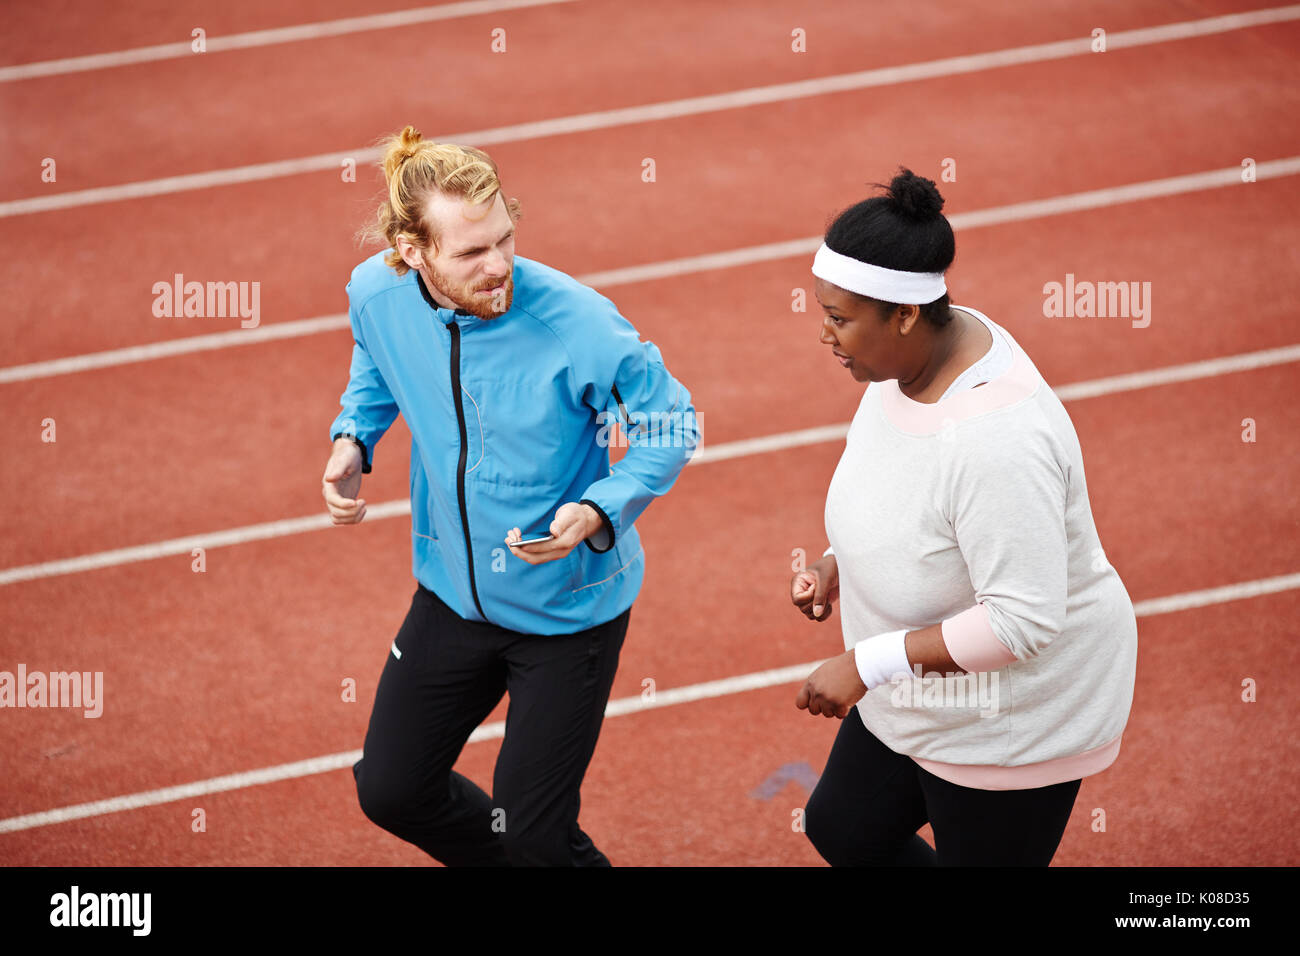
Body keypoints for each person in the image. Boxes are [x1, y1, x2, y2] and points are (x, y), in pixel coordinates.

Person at [322, 125, 698, 866]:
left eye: (505, 240)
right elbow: (377, 354)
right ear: (411, 251)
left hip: (566, 609)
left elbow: (671, 423)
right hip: (453, 595)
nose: (497, 267)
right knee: (391, 789)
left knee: (532, 838)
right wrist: (354, 437)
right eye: (470, 253)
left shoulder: (578, 322)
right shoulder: (376, 293)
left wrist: (600, 509)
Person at [789, 169, 1137, 866]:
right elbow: (904, 490)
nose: (825, 335)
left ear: (905, 315)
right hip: (917, 701)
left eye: (839, 318)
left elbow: (1022, 620)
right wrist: (839, 562)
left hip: (1008, 723)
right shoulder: (910, 358)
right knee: (845, 828)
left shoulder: (995, 440)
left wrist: (867, 663)